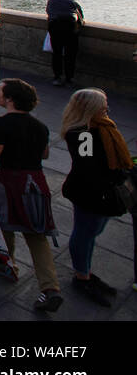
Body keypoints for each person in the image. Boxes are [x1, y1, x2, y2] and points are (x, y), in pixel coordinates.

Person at [0, 79, 63, 313]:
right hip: (35, 184)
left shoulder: (0, 124)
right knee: (36, 235)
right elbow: (44, 154)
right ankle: (50, 289)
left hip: (5, 183)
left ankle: (5, 265)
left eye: (0, 92)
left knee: (0, 227)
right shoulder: (40, 127)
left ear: (10, 99)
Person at [60, 87, 130, 305]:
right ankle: (82, 276)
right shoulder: (82, 134)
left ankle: (86, 271)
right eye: (102, 105)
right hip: (90, 194)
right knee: (85, 233)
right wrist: (115, 178)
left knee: (92, 231)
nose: (106, 108)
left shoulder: (101, 126)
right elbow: (88, 167)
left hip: (101, 190)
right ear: (90, 109)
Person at [46, 0, 84, 87]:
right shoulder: (74, 3)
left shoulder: (51, 1)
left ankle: (57, 77)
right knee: (70, 55)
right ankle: (69, 79)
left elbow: (49, 13)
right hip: (70, 31)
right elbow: (81, 20)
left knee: (56, 53)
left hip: (55, 30)